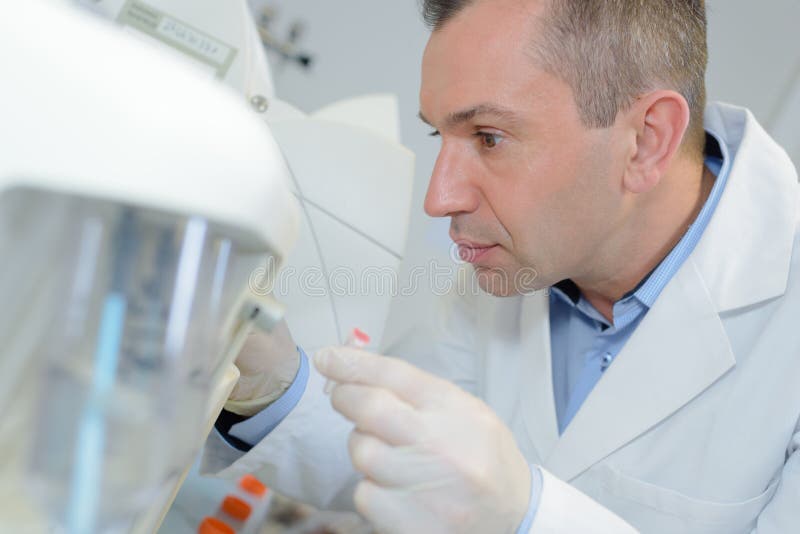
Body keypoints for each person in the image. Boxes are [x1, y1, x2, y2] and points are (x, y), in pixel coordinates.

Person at [204, 0, 800, 532]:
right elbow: (400, 458)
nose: (439, 199)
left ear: (646, 140)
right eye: (440, 136)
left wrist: (528, 517)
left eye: (488, 137)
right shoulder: (521, 266)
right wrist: (272, 385)